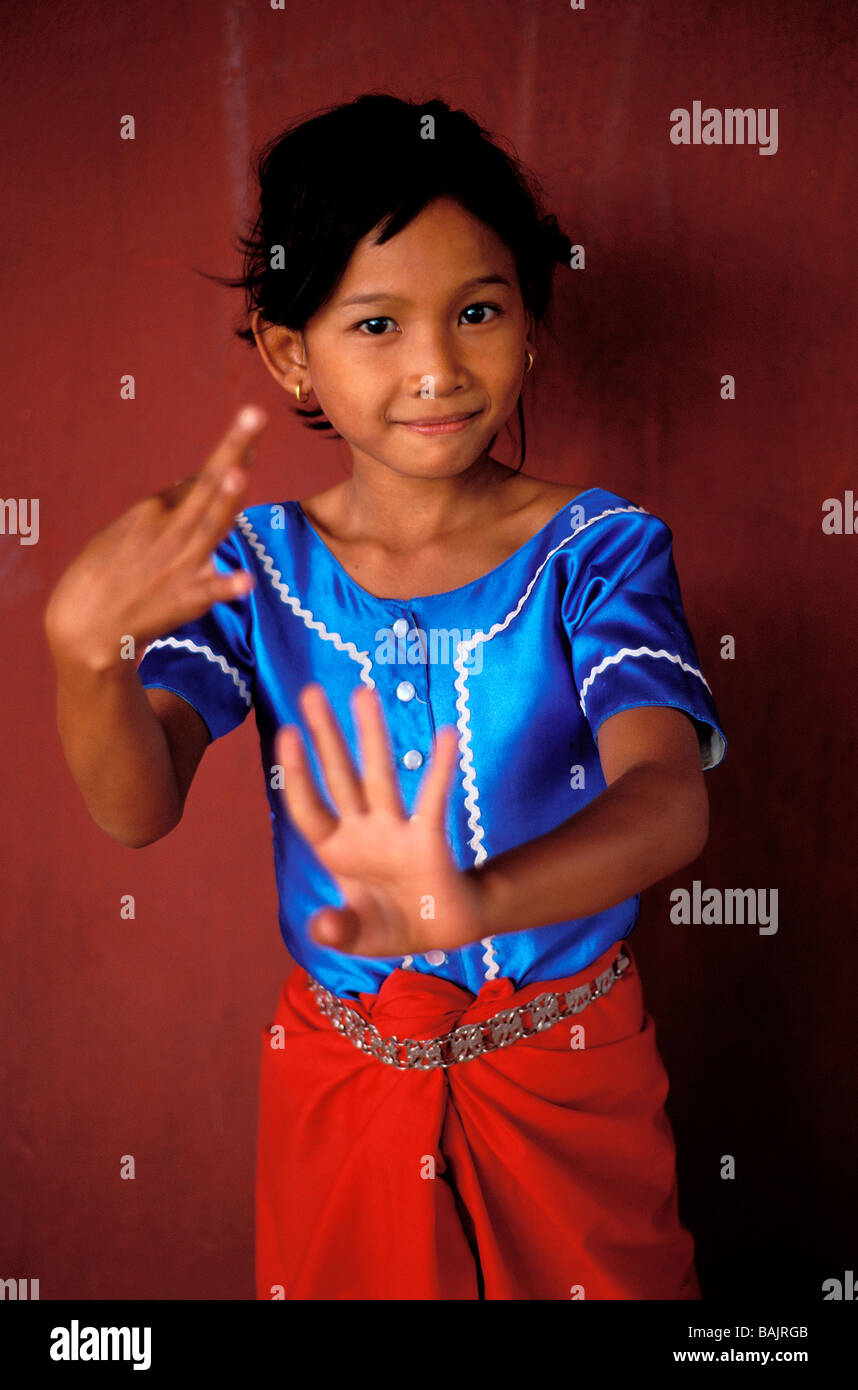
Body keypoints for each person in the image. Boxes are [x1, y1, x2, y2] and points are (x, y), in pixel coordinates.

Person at [44, 93, 727, 1301]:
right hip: (343, 1074)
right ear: (289, 352)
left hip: (569, 1073)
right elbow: (136, 805)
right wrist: (80, 656)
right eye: (376, 322)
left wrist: (467, 901)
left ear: (533, 326)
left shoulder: (599, 549)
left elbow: (669, 803)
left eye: (478, 311)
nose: (437, 366)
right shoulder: (256, 569)